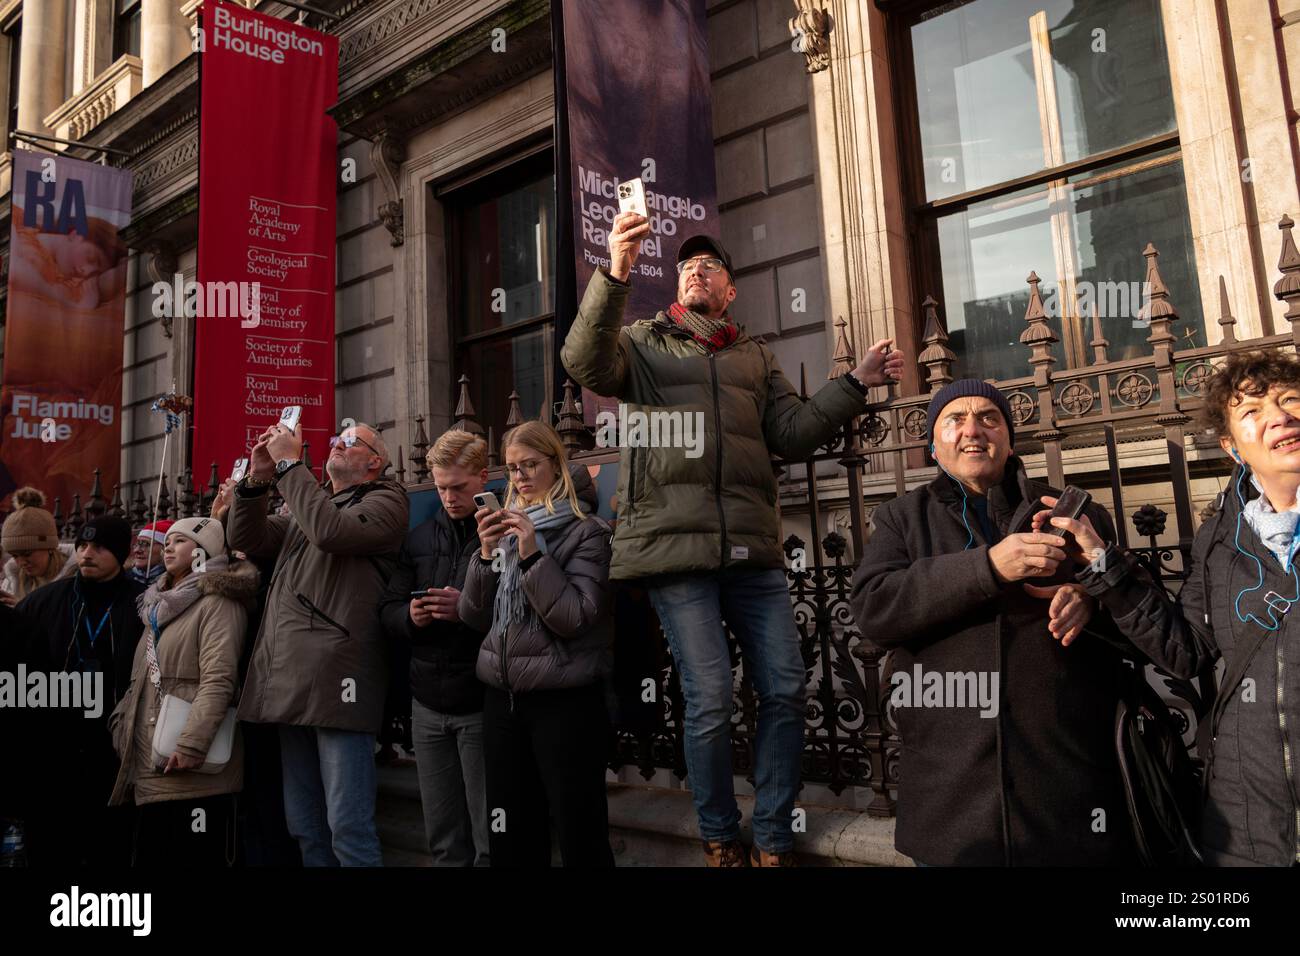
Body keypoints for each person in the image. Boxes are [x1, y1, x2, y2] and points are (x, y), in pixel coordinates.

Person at [561, 218, 904, 866]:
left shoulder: (755, 357)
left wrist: (854, 382)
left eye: (710, 265)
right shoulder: (642, 343)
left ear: (731, 289)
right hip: (673, 550)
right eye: (687, 265)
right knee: (712, 694)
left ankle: (772, 833)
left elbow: (795, 431)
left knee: (783, 685)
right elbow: (582, 363)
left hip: (751, 551)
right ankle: (720, 833)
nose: (696, 270)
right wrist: (616, 270)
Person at [850, 379, 1135, 866]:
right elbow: (875, 611)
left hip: (1065, 787)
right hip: (951, 794)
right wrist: (988, 567)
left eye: (988, 418)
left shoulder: (1073, 512)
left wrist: (1090, 596)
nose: (972, 430)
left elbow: (1137, 624)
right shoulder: (901, 517)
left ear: (1009, 436)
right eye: (954, 420)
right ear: (933, 446)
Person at [1066, 350, 1300, 866]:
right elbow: (1185, 650)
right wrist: (1105, 569)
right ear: (1232, 448)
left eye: (1289, 401)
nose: (1279, 417)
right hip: (1247, 822)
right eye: (1252, 411)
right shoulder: (1220, 536)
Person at [225, 421, 408, 867]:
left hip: (338, 680)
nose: (336, 445)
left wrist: (291, 465)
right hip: (291, 676)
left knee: (348, 828)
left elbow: (332, 533)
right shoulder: (313, 505)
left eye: (350, 441)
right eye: (336, 440)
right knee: (305, 825)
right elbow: (244, 538)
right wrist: (258, 479)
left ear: (374, 462)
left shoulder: (386, 499)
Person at [458, 421, 615, 867]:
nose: (521, 477)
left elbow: (575, 618)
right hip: (502, 700)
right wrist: (486, 555)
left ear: (556, 465)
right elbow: (473, 617)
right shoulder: (504, 532)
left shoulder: (588, 531)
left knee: (579, 828)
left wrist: (531, 555)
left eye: (530, 465)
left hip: (564, 701)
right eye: (511, 469)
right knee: (510, 830)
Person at [108, 517, 260, 866]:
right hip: (149, 759)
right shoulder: (157, 607)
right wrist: (121, 727)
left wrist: (192, 742)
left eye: (181, 541)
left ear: (202, 551)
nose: (170, 547)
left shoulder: (218, 602)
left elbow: (219, 679)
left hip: (189, 764)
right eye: (169, 540)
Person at [379, 430, 491, 866]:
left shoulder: (501, 530)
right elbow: (387, 608)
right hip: (426, 697)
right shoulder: (419, 536)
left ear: (483, 477)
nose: (448, 496)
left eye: (458, 487)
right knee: (443, 834)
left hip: (480, 695)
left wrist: (465, 608)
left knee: (489, 832)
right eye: (441, 487)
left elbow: (520, 610)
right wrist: (412, 616)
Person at [14, 515, 144, 866]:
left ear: (120, 552)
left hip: (114, 741)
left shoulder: (143, 602)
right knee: (52, 839)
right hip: (56, 741)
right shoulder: (44, 602)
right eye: (83, 546)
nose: (87, 554)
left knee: (109, 840)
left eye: (99, 547)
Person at [1, 487, 76, 605]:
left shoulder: (75, 581)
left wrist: (23, 612)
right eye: (15, 556)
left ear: (50, 547)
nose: (21, 563)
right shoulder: (12, 580)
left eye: (27, 554)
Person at [126, 520, 173, 586]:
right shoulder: (123, 580)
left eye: (146, 544)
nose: (136, 550)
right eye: (137, 544)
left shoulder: (174, 583)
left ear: (165, 548)